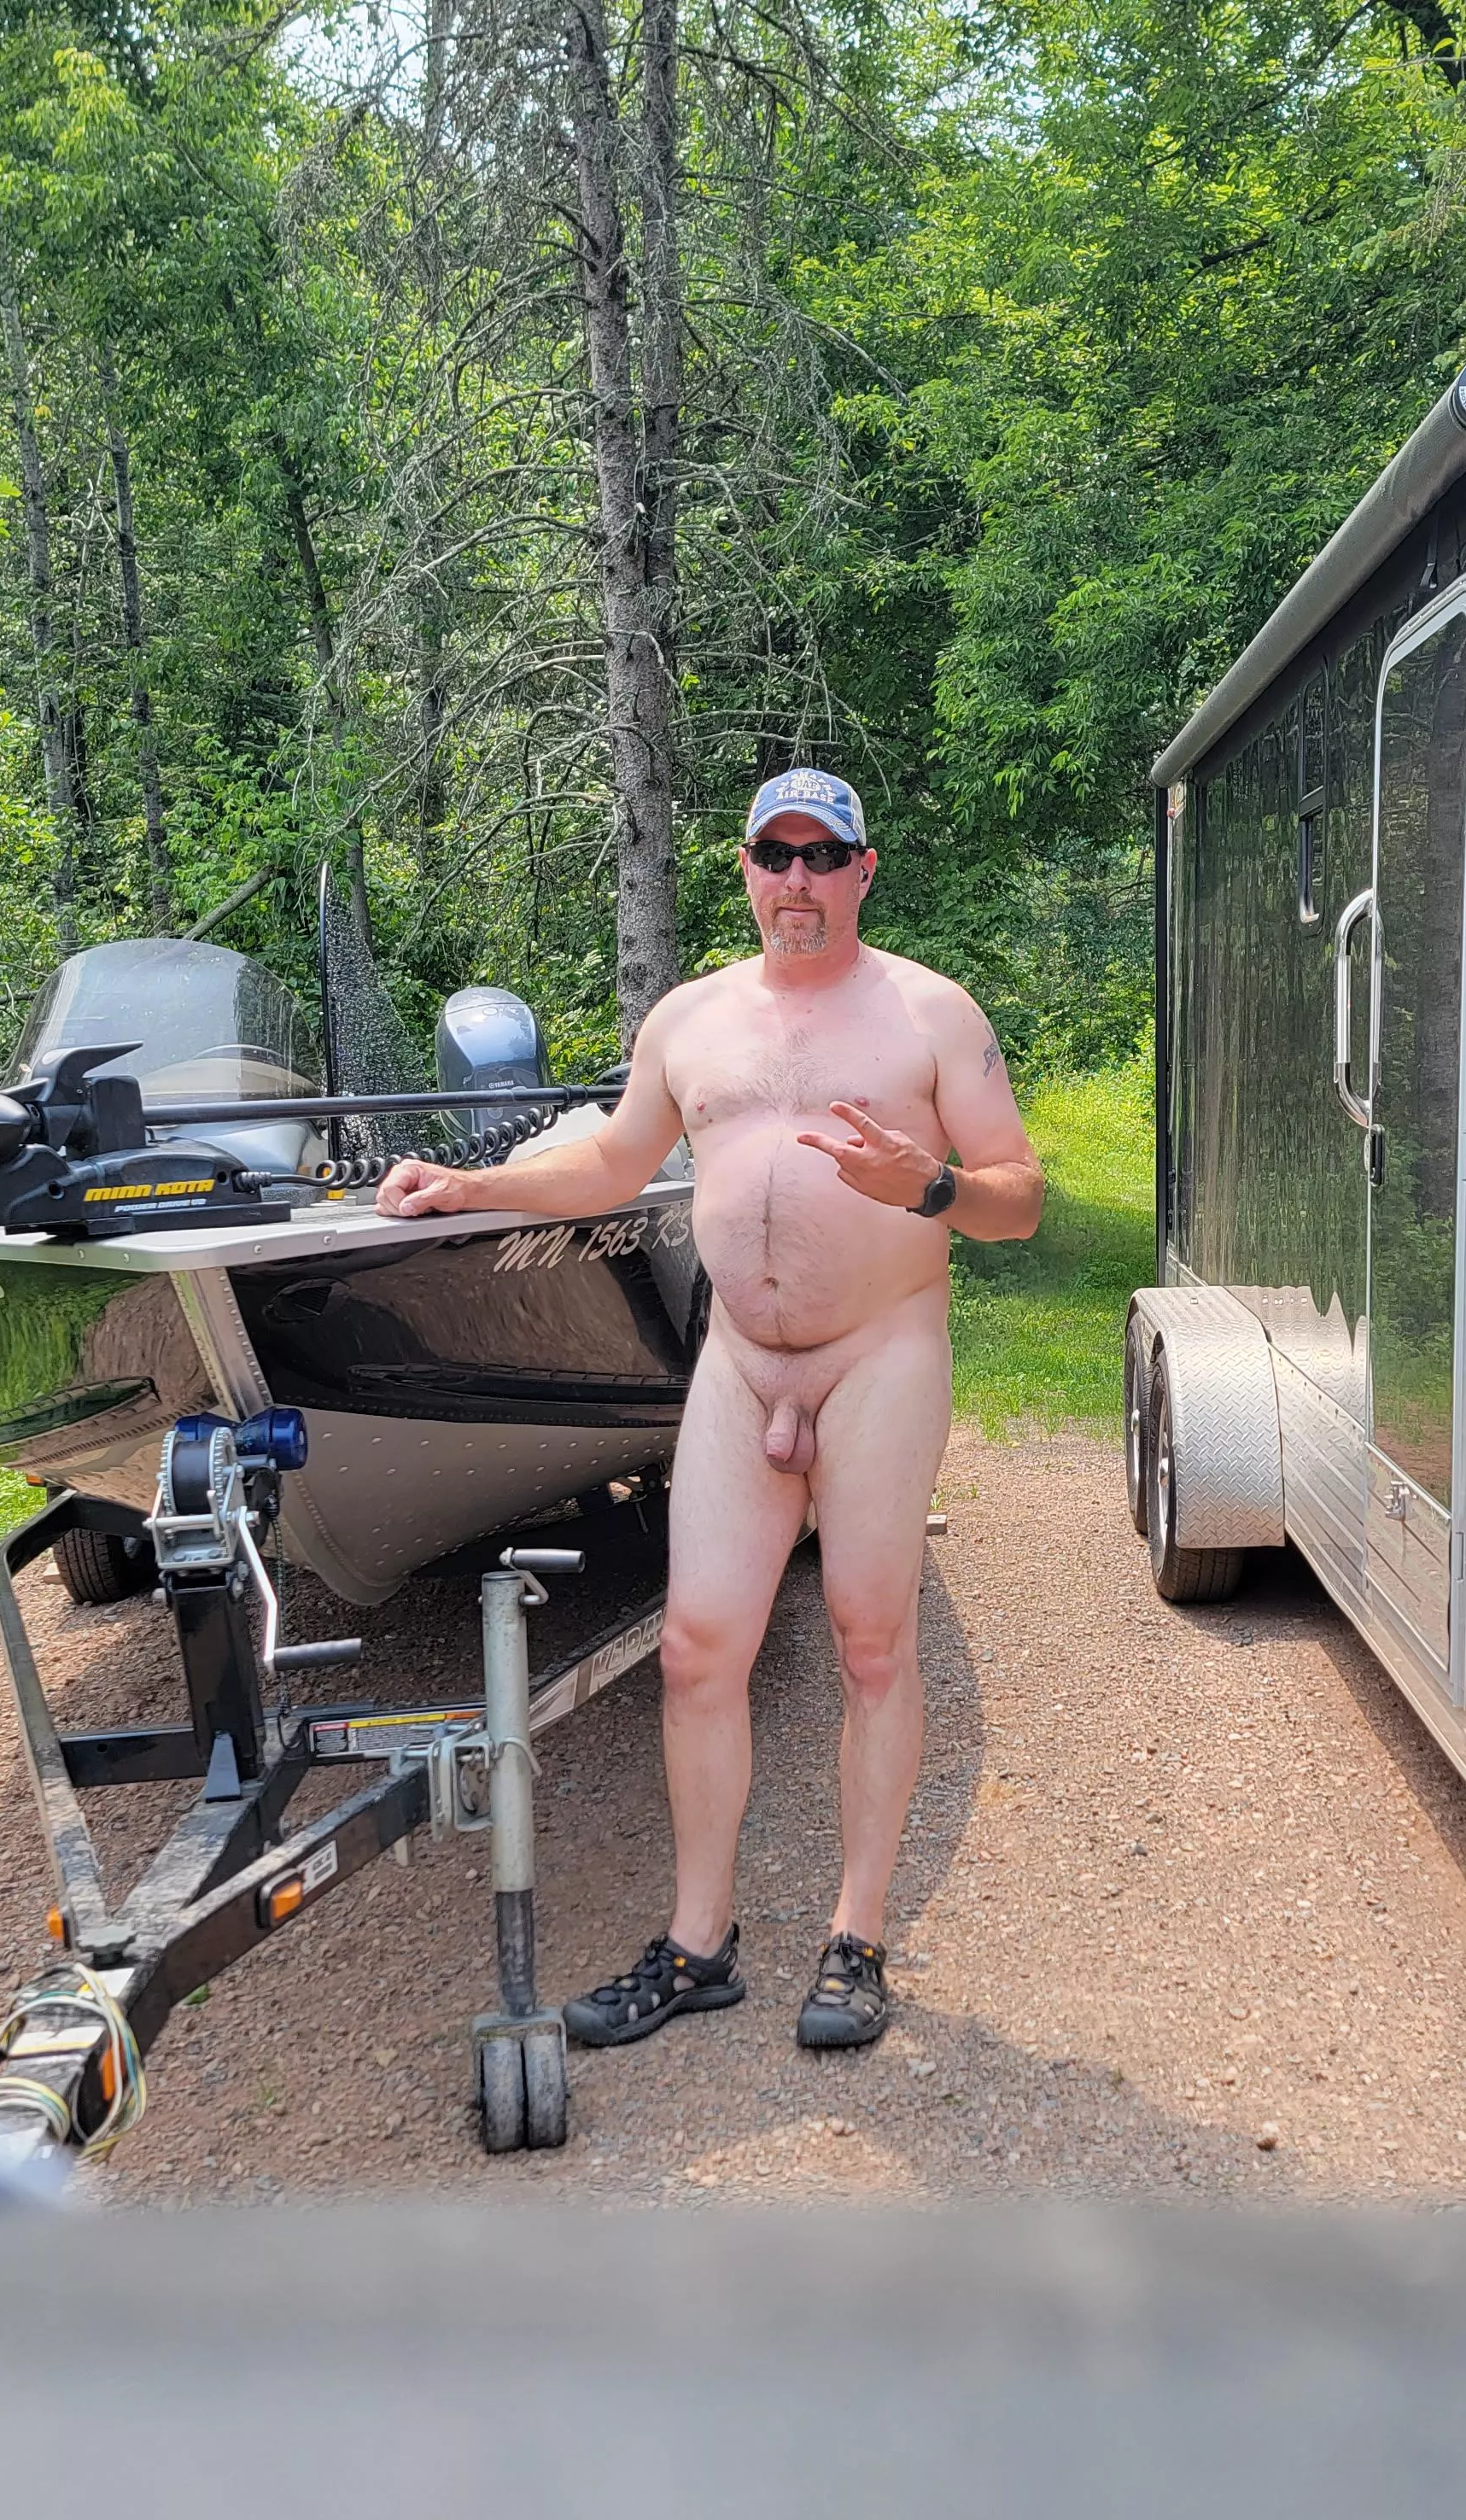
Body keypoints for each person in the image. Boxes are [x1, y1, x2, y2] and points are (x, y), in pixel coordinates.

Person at [375, 767, 1043, 2049]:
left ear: (863, 869)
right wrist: (466, 1187)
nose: (796, 879)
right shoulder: (688, 1019)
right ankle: (698, 1946)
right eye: (773, 854)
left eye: (821, 854)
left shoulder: (929, 1014)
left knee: (869, 1644)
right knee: (698, 1649)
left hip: (877, 1359)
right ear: (743, 868)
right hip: (740, 1363)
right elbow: (616, 1164)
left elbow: (1020, 1196)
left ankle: (857, 1939)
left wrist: (934, 1185)